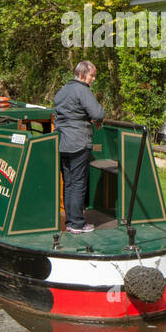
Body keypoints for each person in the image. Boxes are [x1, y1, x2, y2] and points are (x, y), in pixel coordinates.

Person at [52, 60, 104, 235]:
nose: (93, 79)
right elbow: (97, 113)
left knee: (68, 183)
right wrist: (95, 119)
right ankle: (77, 223)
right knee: (79, 183)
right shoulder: (82, 90)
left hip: (63, 143)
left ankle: (69, 220)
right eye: (92, 75)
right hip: (79, 142)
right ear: (82, 75)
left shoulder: (62, 91)